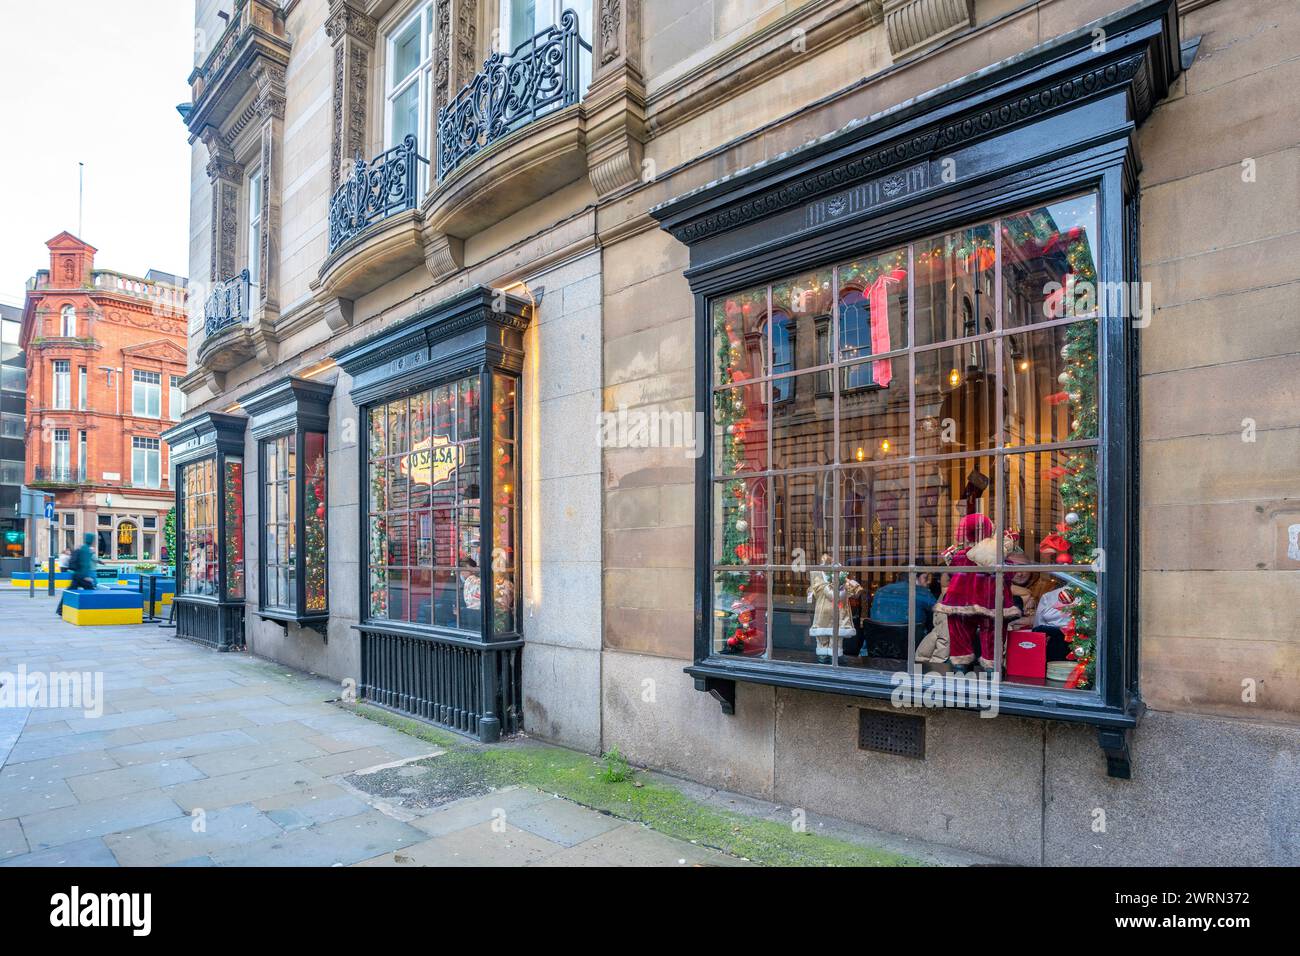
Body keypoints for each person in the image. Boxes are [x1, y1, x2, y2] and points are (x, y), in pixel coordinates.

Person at [55, 533, 98, 617]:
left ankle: (60, 610)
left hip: (76, 575)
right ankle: (91, 609)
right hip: (81, 576)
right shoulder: (86, 550)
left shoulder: (82, 548)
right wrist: (86, 576)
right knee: (90, 590)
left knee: (70, 590)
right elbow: (85, 564)